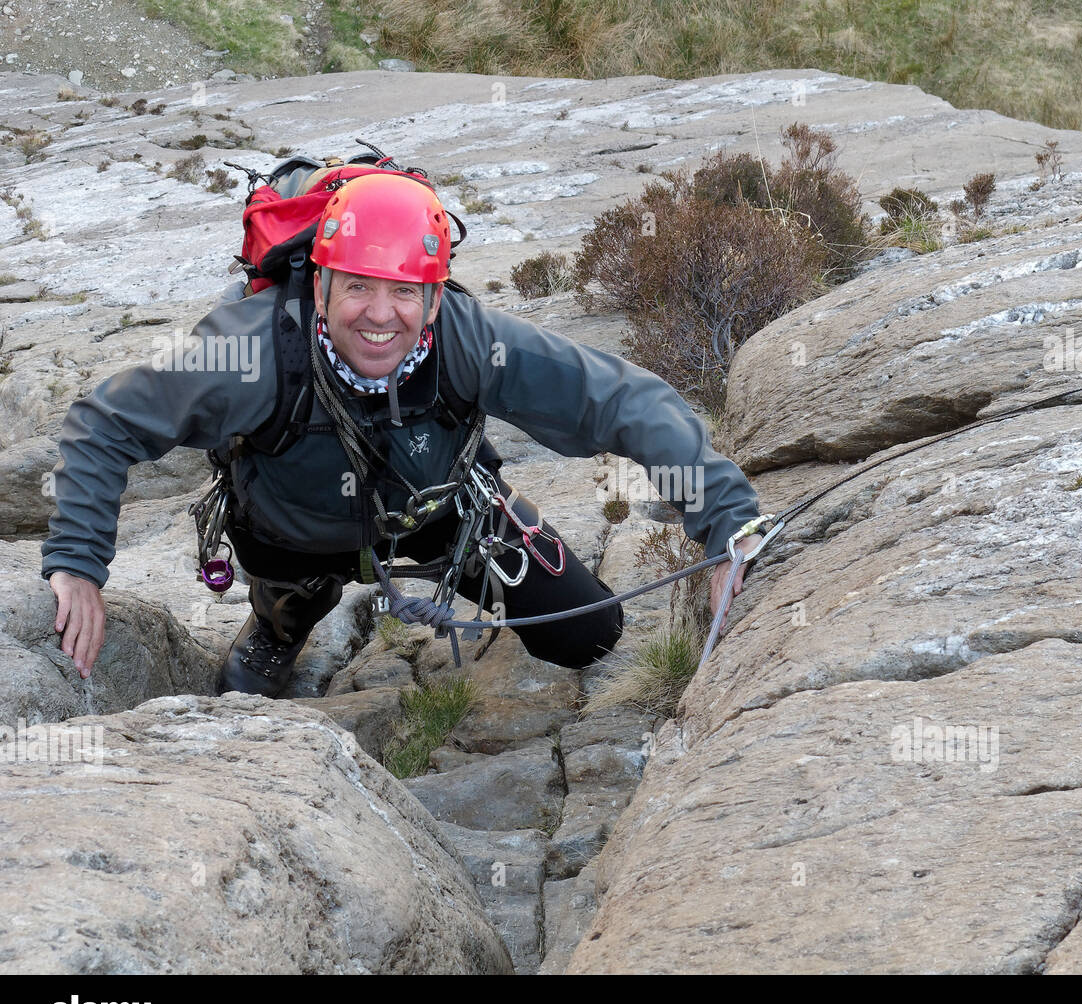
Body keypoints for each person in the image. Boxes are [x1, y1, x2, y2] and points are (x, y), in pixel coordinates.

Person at [42, 171, 764, 695]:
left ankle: (319, 596)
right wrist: (77, 562)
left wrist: (727, 524)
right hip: (289, 532)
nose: (379, 314)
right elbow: (105, 421)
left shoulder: (468, 339)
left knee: (591, 631)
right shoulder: (249, 352)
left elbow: (624, 400)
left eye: (403, 291)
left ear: (434, 293)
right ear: (320, 283)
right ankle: (281, 622)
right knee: (263, 647)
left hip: (439, 513)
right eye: (357, 285)